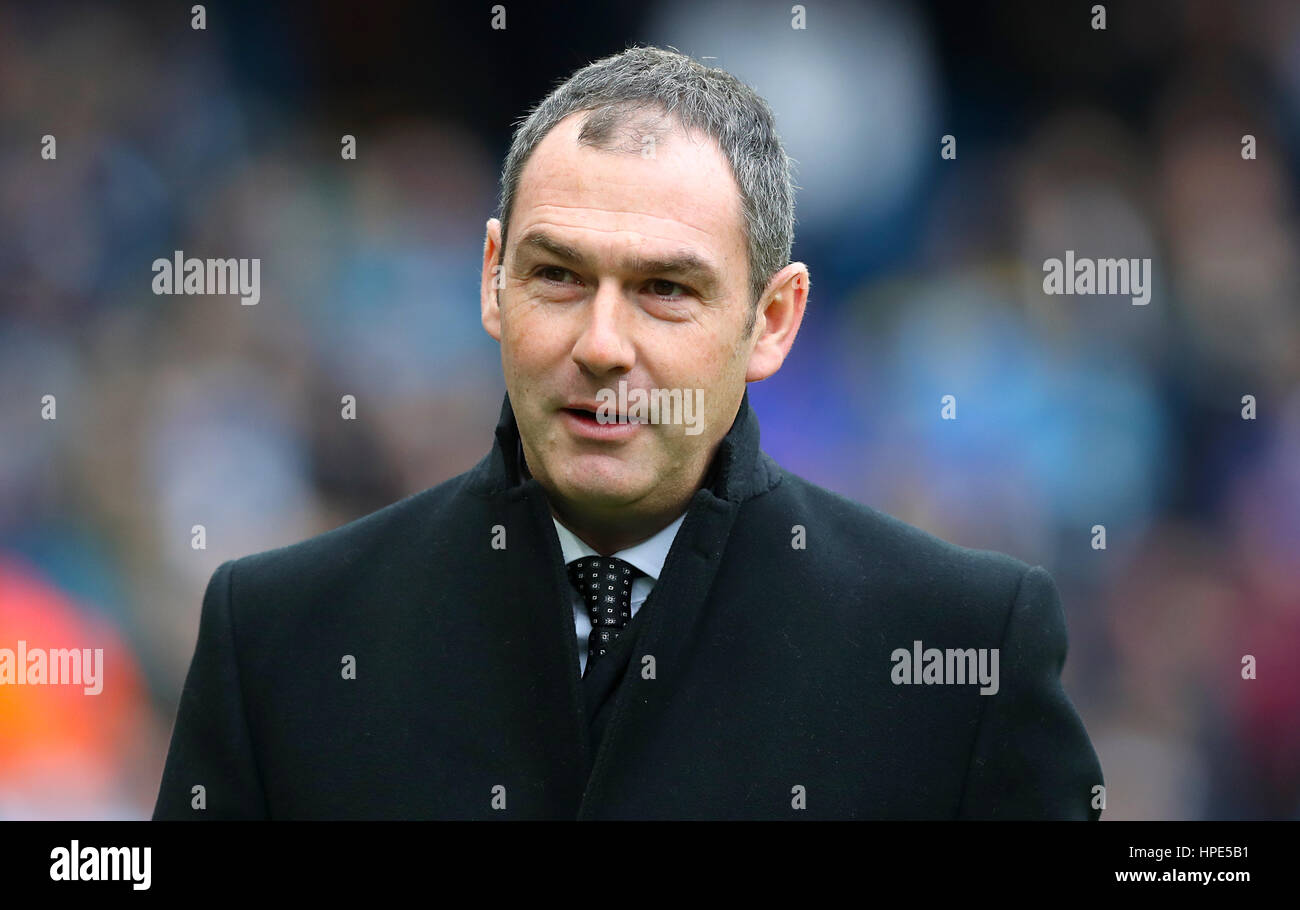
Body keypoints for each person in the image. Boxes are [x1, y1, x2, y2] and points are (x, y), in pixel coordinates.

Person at [153, 45, 1103, 820]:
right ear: (491, 280)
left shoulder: (965, 645)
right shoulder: (278, 639)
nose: (602, 344)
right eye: (558, 275)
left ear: (771, 321)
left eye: (665, 290)